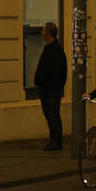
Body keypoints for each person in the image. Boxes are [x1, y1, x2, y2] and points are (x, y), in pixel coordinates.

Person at [33, 22, 66, 150]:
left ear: (48, 33)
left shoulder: (55, 49)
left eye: (43, 30)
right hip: (47, 88)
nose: (41, 33)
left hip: (51, 89)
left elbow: (54, 70)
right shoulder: (50, 48)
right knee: (50, 114)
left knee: (52, 114)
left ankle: (56, 141)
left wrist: (41, 77)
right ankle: (54, 140)